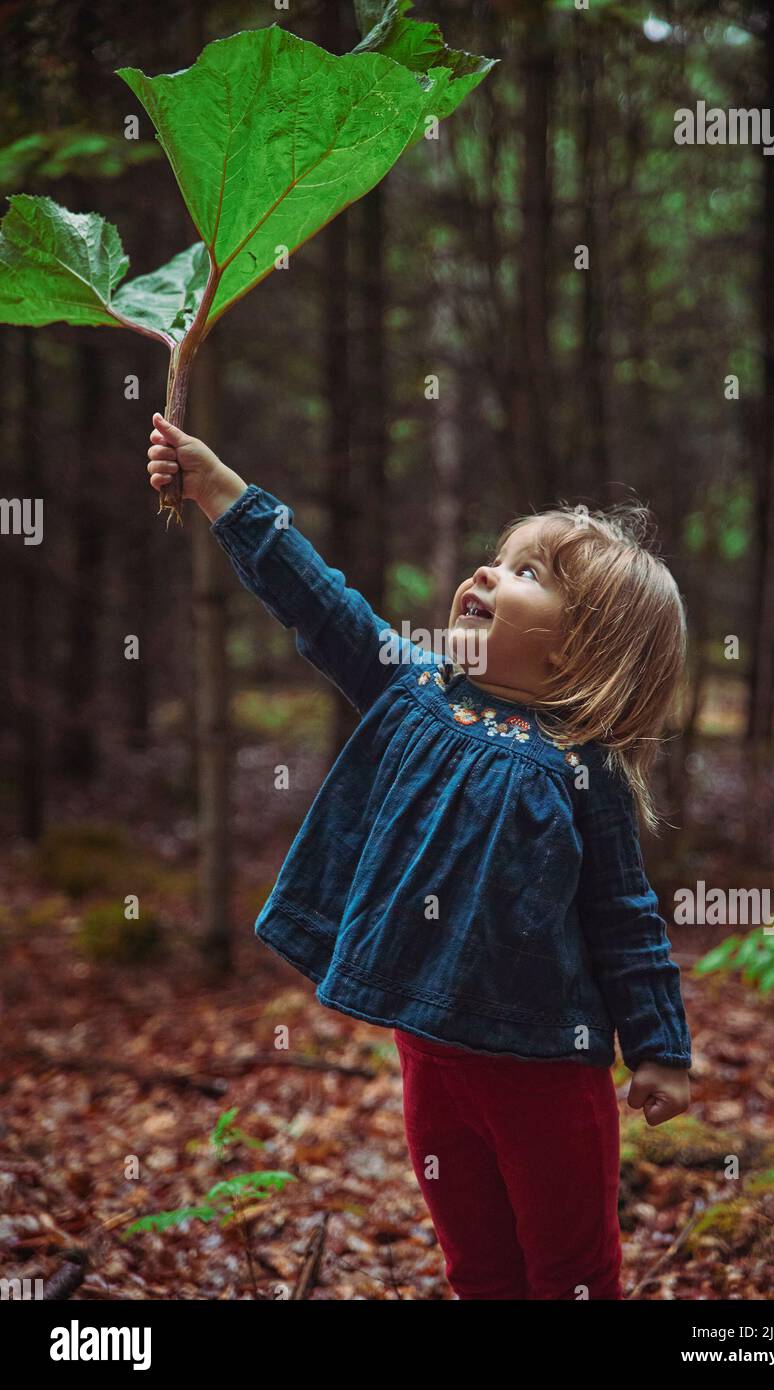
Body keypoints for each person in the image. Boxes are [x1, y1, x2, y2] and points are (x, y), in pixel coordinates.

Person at [147, 411, 693, 1301]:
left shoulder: (580, 770)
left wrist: (660, 1045)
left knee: (571, 1270)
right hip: (428, 1052)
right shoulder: (413, 688)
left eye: (530, 575)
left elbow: (624, 918)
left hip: (549, 1066)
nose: (487, 572)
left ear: (587, 648)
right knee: (477, 1261)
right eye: (500, 555)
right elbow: (320, 601)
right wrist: (218, 489)